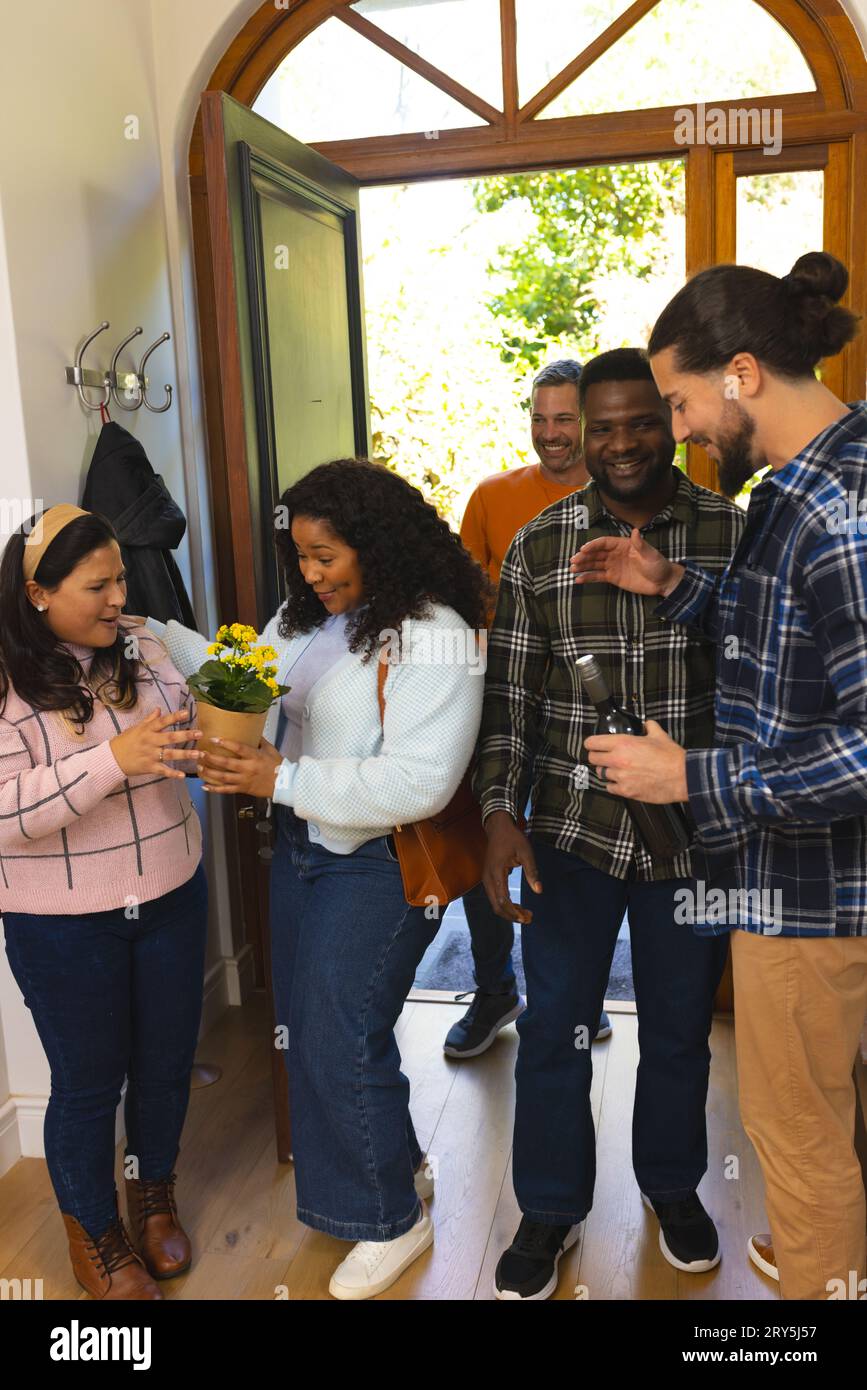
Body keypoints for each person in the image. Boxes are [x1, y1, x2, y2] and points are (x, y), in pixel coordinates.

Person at [572, 253, 867, 1302]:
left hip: (814, 896)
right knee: (817, 1128)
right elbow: (800, 648)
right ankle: (820, 1248)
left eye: (686, 401)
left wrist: (694, 777)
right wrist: (678, 586)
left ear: (742, 372)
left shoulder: (836, 508)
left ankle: (822, 1272)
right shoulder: (810, 484)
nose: (682, 429)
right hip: (801, 880)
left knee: (797, 1130)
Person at [154, 459, 490, 1300]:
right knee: (314, 1027)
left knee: (340, 1035)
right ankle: (401, 1169)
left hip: (378, 863)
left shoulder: (435, 632)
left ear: (375, 543)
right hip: (305, 848)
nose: (309, 573)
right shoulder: (306, 620)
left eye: (326, 555)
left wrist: (282, 782)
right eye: (299, 555)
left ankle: (389, 1222)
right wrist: (158, 631)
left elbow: (421, 783)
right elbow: (246, 686)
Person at [475, 349, 744, 1299]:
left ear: (668, 421)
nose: (621, 442)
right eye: (601, 426)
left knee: (677, 1030)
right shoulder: (539, 545)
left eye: (640, 421)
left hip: (693, 837)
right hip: (570, 836)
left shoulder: (727, 532)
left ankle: (672, 1187)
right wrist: (499, 818)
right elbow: (509, 693)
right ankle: (548, 1206)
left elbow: (762, 677)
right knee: (554, 1027)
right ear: (577, 429)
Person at [0, 505, 207, 1301]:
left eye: (121, 576)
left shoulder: (145, 642)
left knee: (163, 1068)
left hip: (170, 893)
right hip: (60, 922)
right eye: (99, 585)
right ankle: (94, 1233)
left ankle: (152, 1196)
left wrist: (190, 734)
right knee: (88, 1084)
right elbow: (9, 813)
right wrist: (113, 760)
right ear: (38, 592)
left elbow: (178, 724)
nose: (120, 596)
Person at [447, 359, 612, 1058]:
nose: (550, 433)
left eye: (563, 419)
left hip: (583, 719)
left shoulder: (621, 499)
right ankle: (493, 990)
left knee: (572, 859)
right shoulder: (491, 498)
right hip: (500, 705)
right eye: (539, 419)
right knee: (484, 839)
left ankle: (575, 999)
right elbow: (459, 605)